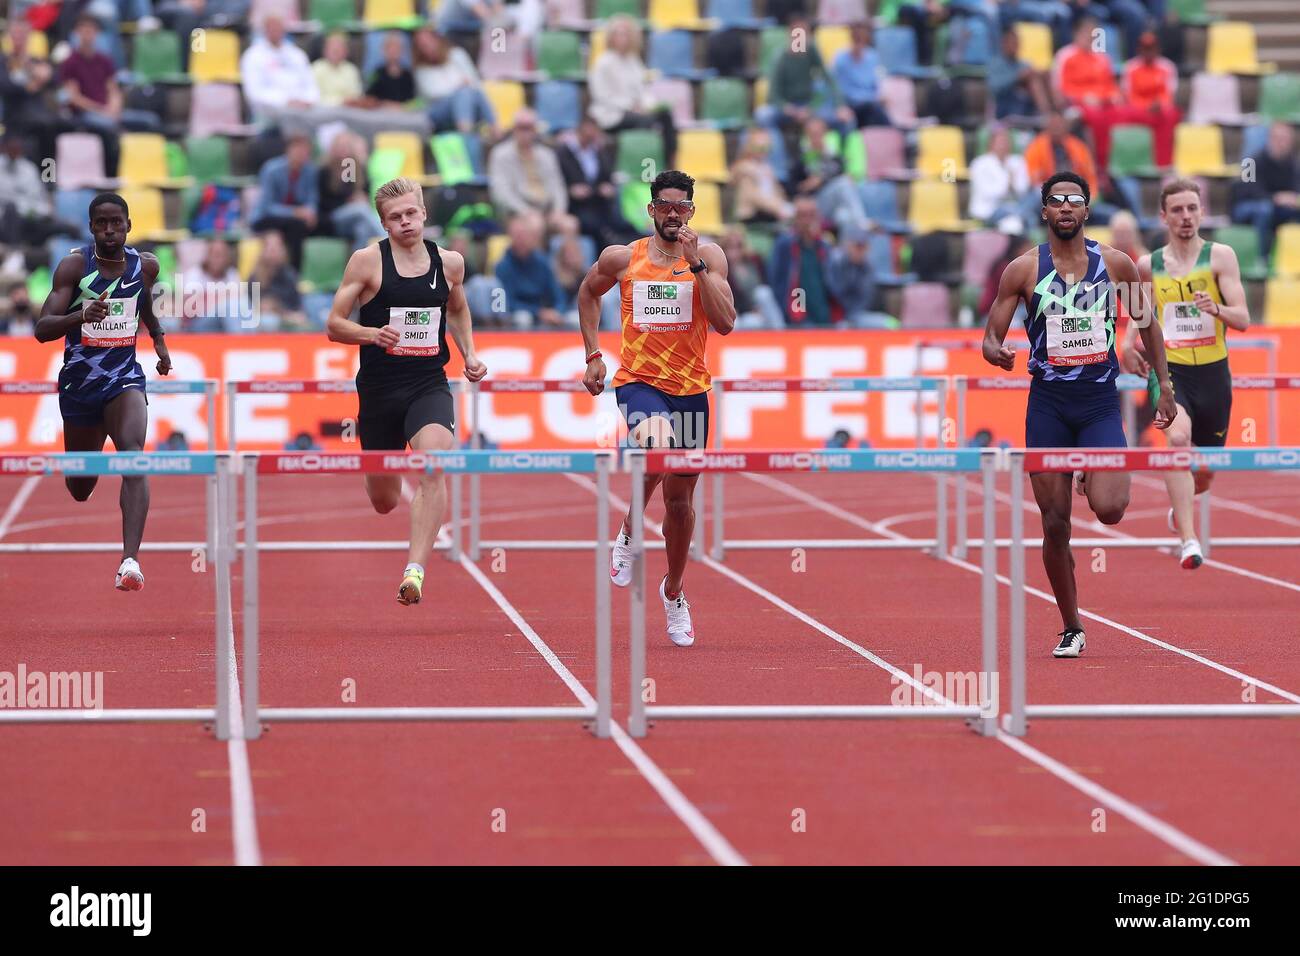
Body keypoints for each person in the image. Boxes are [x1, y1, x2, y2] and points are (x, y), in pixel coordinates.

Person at [981, 171, 1177, 658]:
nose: (1066, 208)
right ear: (1044, 211)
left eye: (1075, 201)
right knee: (1054, 525)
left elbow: (1148, 323)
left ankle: (1092, 466)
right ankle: (1072, 624)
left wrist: (1163, 384)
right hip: (1047, 405)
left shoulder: (1115, 266)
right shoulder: (1022, 271)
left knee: (1111, 510)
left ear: (1087, 211)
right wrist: (997, 352)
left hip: (1097, 403)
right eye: (1056, 201)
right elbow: (989, 336)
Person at [577, 170, 736, 647]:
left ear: (692, 211)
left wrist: (697, 267)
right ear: (651, 210)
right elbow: (588, 293)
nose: (673, 213)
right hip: (640, 384)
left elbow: (726, 323)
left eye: (681, 207)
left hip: (691, 390)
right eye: (664, 206)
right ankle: (629, 530)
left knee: (681, 506)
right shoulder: (623, 258)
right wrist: (593, 355)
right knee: (659, 450)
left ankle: (674, 590)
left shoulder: (707, 256)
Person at [324, 177, 487, 606]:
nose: (406, 222)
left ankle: (414, 570)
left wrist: (469, 353)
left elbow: (458, 308)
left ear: (424, 213)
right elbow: (334, 325)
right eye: (396, 218)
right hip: (378, 391)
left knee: (434, 463)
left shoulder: (449, 262)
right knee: (384, 500)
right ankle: (383, 481)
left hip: (427, 383)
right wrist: (370, 334)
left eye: (411, 213)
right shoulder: (366, 262)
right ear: (384, 223)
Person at [34, 192, 172, 591]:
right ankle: (84, 472)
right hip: (80, 386)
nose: (109, 230)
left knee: (134, 458)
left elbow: (142, 300)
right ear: (91, 227)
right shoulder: (75, 266)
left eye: (117, 222)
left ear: (129, 225)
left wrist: (159, 340)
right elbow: (42, 329)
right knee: (80, 487)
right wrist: (81, 314)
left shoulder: (145, 264)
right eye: (101, 223)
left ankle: (130, 561)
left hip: (124, 378)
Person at [1123, 179, 1250, 568]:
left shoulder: (1221, 257)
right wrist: (1128, 345)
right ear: (1163, 216)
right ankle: (1189, 540)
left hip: (1214, 374)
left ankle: (1184, 501)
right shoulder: (1147, 265)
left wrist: (1216, 309)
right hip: (1170, 370)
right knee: (1177, 439)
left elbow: (1243, 319)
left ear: (1201, 212)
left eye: (1193, 208)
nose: (1186, 217)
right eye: (1177, 210)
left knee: (1206, 473)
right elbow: (1137, 313)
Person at [250, 130, 319, 269]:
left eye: (305, 151)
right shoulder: (271, 169)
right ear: (288, 150)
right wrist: (296, 212)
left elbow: (312, 199)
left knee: (321, 223)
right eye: (298, 149)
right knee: (297, 226)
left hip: (294, 220)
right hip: (267, 218)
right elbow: (267, 207)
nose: (302, 154)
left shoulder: (310, 171)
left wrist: (310, 212)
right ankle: (295, 272)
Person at [494, 212, 567, 328]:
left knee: (574, 319)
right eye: (517, 235)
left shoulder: (543, 262)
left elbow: (557, 294)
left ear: (532, 237)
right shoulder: (502, 266)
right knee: (523, 318)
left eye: (524, 235)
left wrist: (558, 311)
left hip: (543, 311)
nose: (521, 240)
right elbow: (504, 303)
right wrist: (538, 312)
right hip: (517, 315)